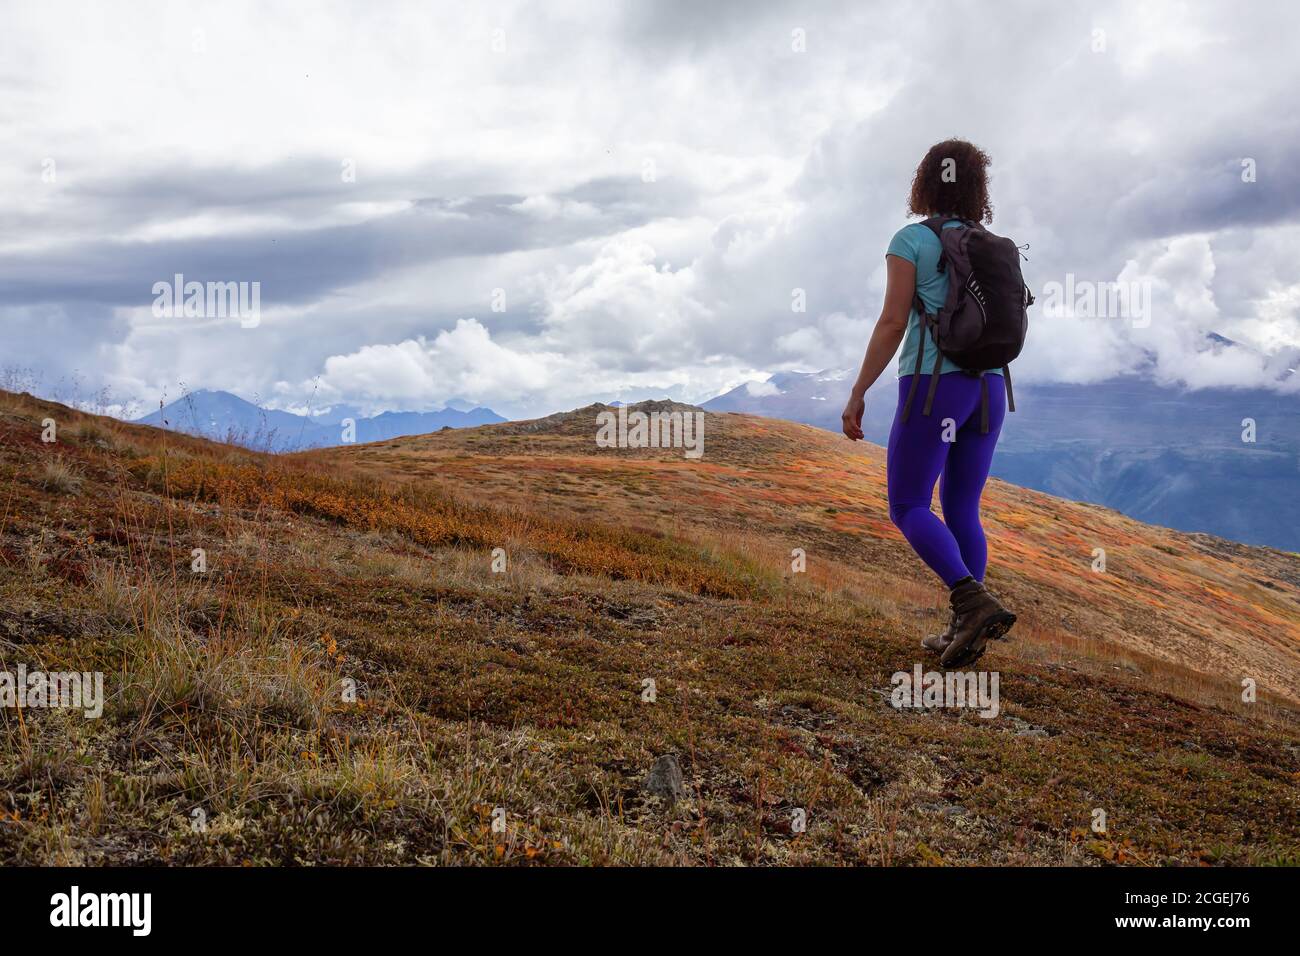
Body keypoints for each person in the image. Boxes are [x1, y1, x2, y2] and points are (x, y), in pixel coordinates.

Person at [840, 139, 1016, 668]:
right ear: (976, 188)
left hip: (934, 384)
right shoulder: (992, 245)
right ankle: (968, 626)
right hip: (990, 389)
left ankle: (970, 599)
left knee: (910, 504)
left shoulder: (911, 239)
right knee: (963, 506)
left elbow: (894, 321)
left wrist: (859, 390)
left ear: (924, 181)